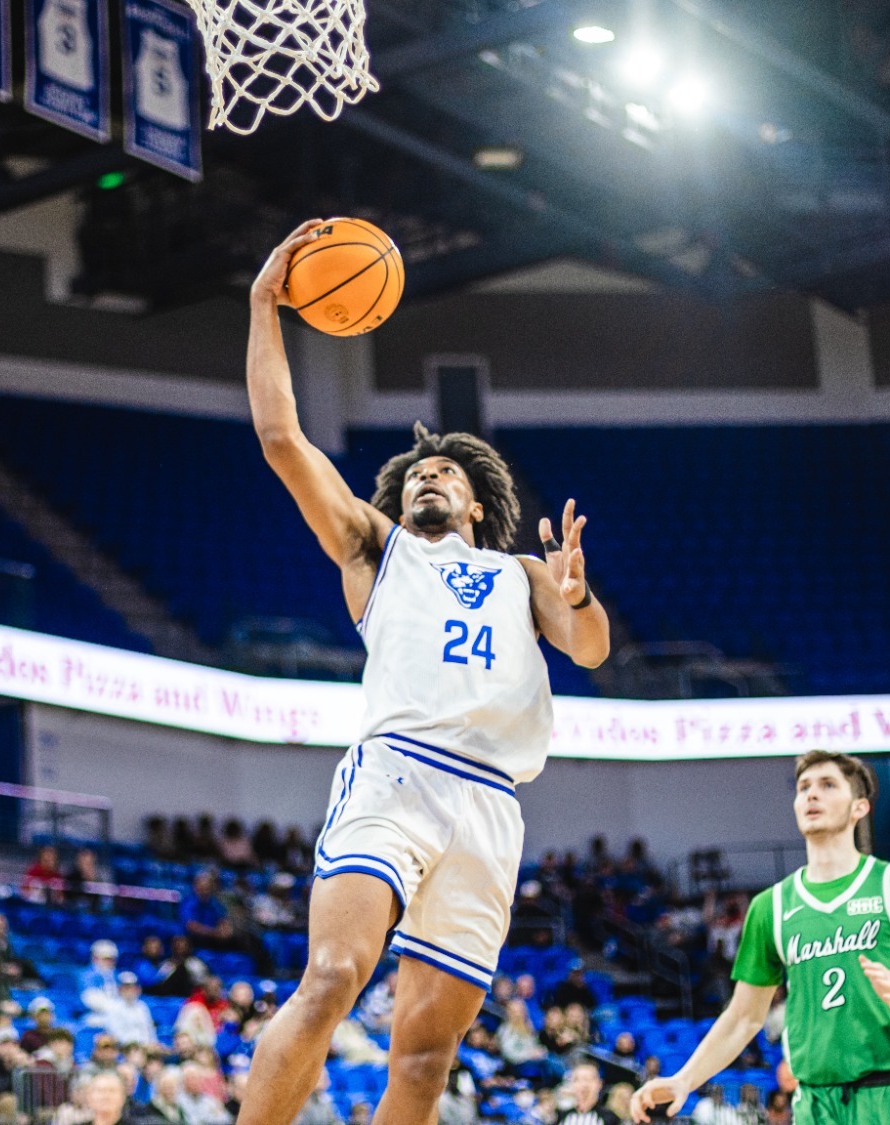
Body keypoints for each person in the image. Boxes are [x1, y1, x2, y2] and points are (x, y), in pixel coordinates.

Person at [235, 222, 611, 1125]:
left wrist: (581, 593)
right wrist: (262, 306)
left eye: (444, 472)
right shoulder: (378, 549)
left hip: (491, 806)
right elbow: (283, 438)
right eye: (414, 476)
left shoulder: (523, 575)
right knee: (330, 978)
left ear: (478, 502)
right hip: (398, 772)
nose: (426, 481)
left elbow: (591, 649)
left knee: (426, 1057)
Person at [631, 751, 890, 1125]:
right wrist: (684, 1079)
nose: (811, 795)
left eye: (827, 785)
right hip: (815, 1102)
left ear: (860, 807)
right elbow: (743, 1017)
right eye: (803, 787)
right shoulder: (770, 907)